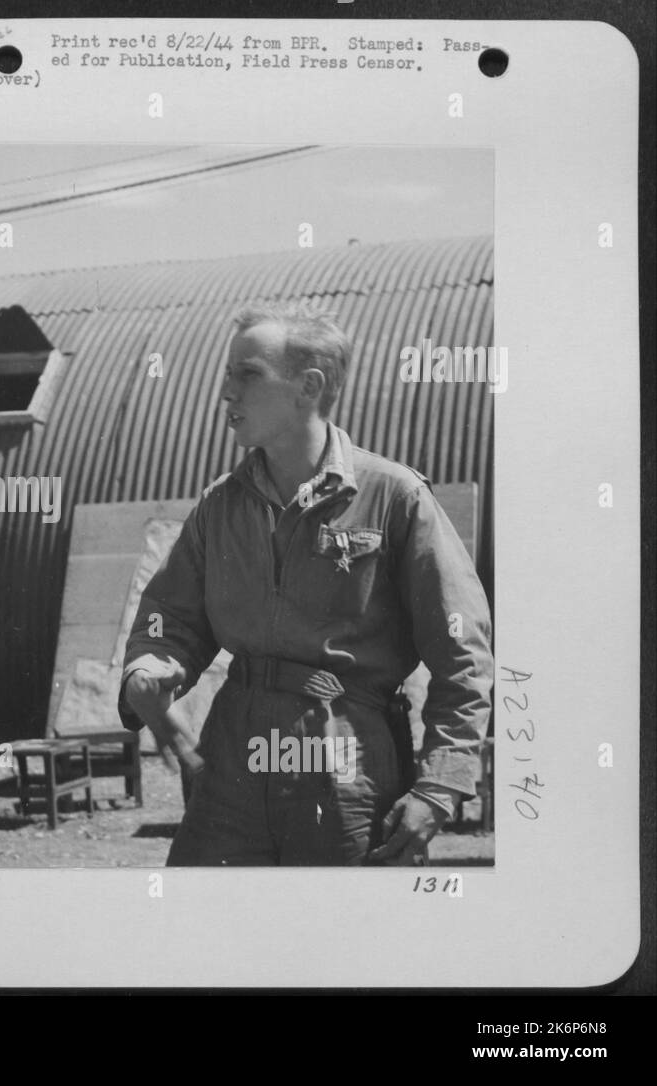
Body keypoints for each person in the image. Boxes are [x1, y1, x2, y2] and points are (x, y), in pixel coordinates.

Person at [119, 302, 493, 866]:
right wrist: (151, 664)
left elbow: (462, 650)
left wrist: (439, 785)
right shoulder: (221, 506)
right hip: (233, 758)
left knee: (339, 939)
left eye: (247, 374)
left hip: (347, 758)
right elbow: (169, 620)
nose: (226, 391)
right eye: (227, 373)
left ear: (308, 386)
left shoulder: (393, 496)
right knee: (206, 933)